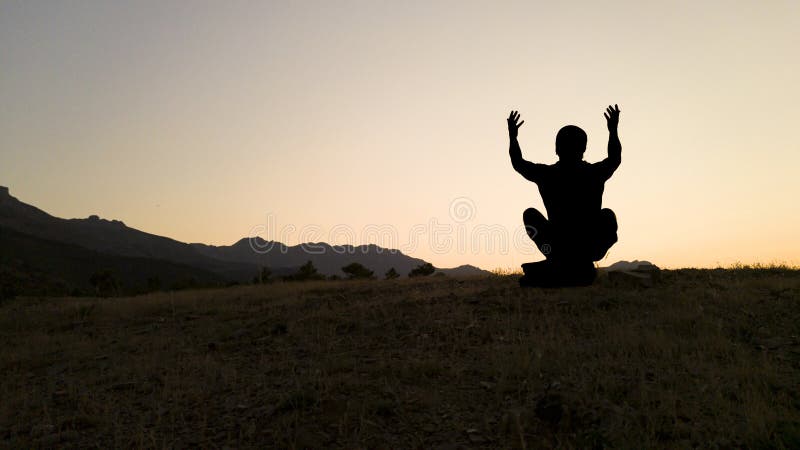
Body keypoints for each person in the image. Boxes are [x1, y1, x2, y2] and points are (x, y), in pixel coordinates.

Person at [508, 105, 621, 287]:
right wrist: (613, 130)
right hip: (587, 247)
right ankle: (567, 265)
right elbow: (615, 158)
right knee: (607, 216)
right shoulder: (594, 173)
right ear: (583, 148)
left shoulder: (547, 174)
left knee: (530, 215)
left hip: (556, 247)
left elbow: (518, 163)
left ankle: (555, 264)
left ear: (556, 148)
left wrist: (513, 137)